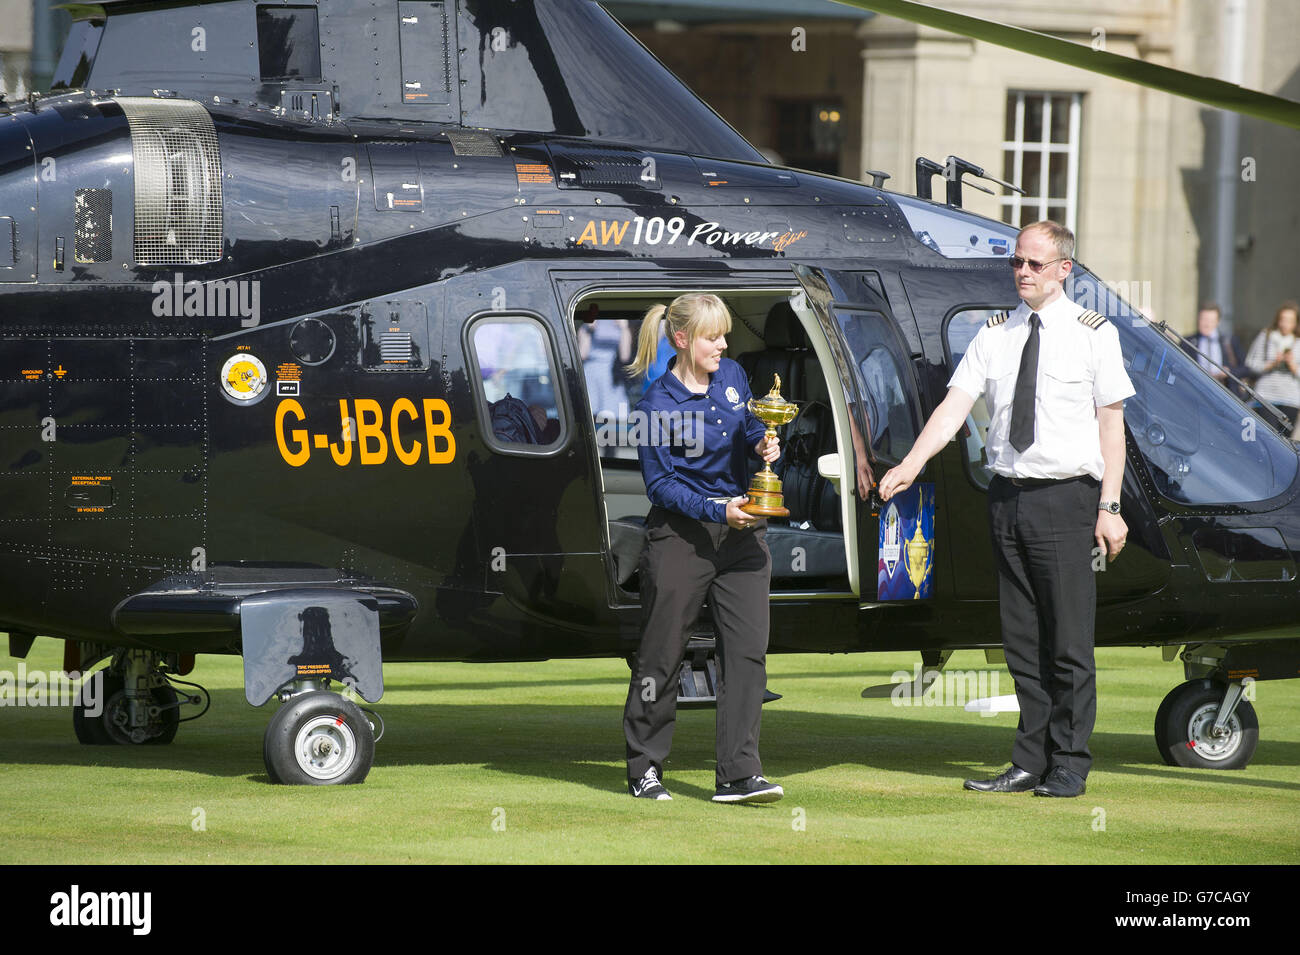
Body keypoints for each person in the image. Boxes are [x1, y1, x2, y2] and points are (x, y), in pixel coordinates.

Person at [879, 221, 1134, 798]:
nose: (1022, 271)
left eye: (1035, 264)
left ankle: (1069, 763)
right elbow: (954, 407)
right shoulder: (994, 333)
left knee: (1068, 639)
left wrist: (1110, 506)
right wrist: (911, 464)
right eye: (1017, 261)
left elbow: (1111, 427)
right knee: (1021, 640)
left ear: (1064, 269)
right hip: (1006, 495)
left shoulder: (1095, 334)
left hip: (1066, 497)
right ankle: (1029, 760)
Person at [621, 292, 783, 803]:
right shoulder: (655, 405)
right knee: (661, 656)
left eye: (725, 335)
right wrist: (719, 509)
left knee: (747, 655)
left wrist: (761, 442)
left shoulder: (733, 376)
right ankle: (644, 768)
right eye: (713, 336)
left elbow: (752, 425)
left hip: (743, 536)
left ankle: (738, 774)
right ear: (683, 339)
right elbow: (660, 486)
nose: (723, 344)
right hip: (679, 540)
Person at [1245, 301, 1300, 426]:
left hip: (1291, 400)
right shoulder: (1266, 337)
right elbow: (1251, 365)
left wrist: (1293, 366)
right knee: (1269, 438)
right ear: (1278, 320)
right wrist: (1272, 363)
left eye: (1290, 320)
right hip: (1266, 397)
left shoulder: (1298, 342)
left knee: (1285, 441)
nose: (1286, 324)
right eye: (1283, 319)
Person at [1182, 302, 1248, 390]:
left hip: (1224, 390)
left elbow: (1246, 368)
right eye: (1204, 319)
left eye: (1211, 321)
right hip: (1196, 389)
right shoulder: (1187, 341)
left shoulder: (1229, 341)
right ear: (1198, 319)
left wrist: (1229, 372)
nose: (1207, 324)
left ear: (1217, 322)